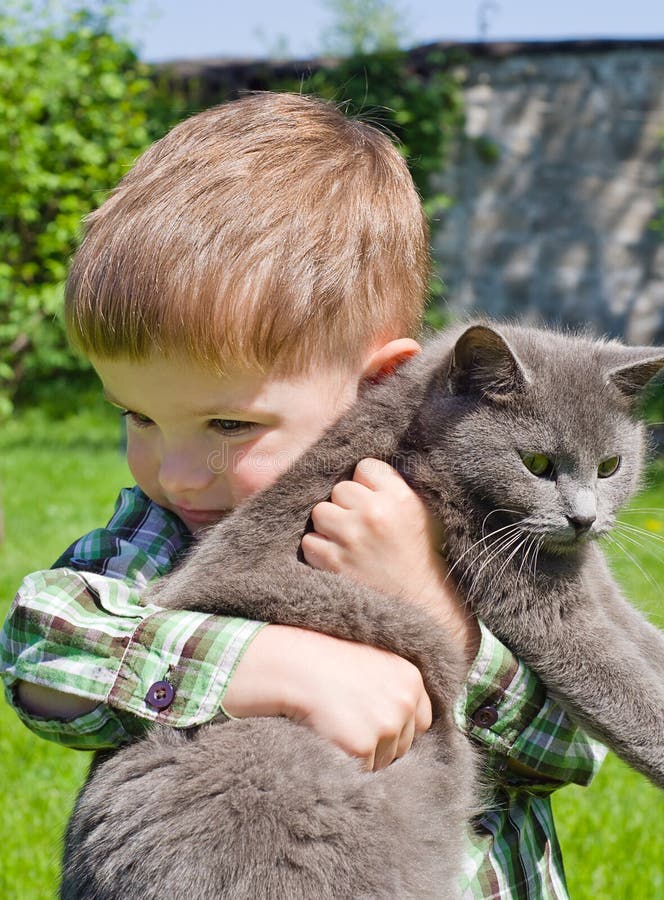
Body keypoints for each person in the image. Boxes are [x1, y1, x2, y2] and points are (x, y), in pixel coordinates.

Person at [0, 92, 604, 898]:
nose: (174, 472)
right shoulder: (169, 540)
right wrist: (257, 661)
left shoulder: (481, 526)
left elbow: (573, 744)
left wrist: (439, 618)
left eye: (226, 422)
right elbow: (44, 643)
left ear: (381, 384)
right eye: (136, 415)